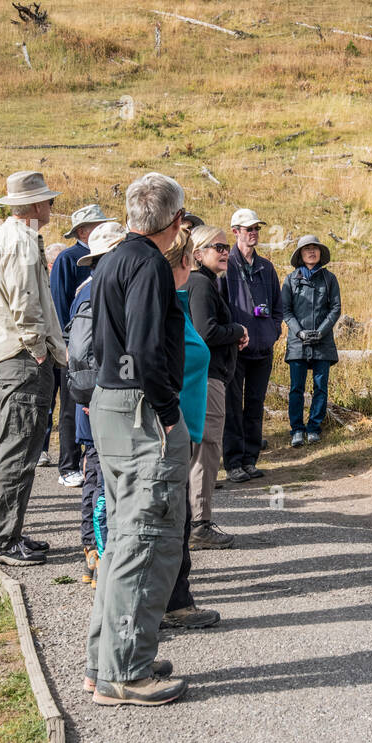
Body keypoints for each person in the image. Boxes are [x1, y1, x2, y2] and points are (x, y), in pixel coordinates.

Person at [84, 172, 190, 706]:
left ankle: (105, 659)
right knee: (148, 536)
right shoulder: (148, 265)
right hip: (141, 409)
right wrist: (169, 412)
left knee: (127, 534)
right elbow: (148, 347)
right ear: (175, 221)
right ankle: (125, 672)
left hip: (112, 402)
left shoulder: (112, 259)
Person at [0, 171, 66, 566]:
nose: (51, 207)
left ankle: (7, 532)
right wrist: (38, 349)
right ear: (32, 205)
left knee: (16, 446)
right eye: (47, 201)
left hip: (6, 352)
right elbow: (25, 301)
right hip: (22, 357)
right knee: (19, 450)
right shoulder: (21, 243)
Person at [159, 226, 221, 630]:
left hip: (185, 428)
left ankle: (176, 599)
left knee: (177, 521)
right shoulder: (168, 304)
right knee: (168, 521)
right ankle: (166, 605)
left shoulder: (178, 300)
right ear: (186, 261)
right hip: (170, 429)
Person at [67, 220, 126, 583]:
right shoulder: (97, 292)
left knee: (95, 473)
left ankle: (92, 550)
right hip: (96, 397)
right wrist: (92, 396)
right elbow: (85, 352)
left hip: (92, 396)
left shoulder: (89, 288)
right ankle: (99, 555)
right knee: (101, 477)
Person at [185, 225, 244, 550]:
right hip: (208, 379)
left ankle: (195, 522)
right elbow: (205, 332)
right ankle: (199, 524)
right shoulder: (201, 284)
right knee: (207, 450)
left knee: (203, 450)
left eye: (225, 247)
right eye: (216, 246)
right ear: (197, 253)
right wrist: (236, 331)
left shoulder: (205, 283)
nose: (224, 251)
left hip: (208, 377)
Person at [50, 204, 109, 487]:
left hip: (95, 346)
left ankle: (88, 457)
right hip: (73, 343)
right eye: (97, 225)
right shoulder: (68, 258)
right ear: (83, 231)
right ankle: (67, 464)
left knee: (88, 402)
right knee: (71, 405)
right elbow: (59, 302)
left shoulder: (106, 259)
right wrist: (64, 342)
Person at [221, 208, 282, 483]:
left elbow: (278, 308)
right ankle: (233, 462)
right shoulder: (225, 267)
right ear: (236, 232)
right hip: (236, 349)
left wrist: (272, 332)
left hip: (263, 349)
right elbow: (220, 309)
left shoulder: (266, 267)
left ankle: (250, 458)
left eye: (257, 228)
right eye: (249, 229)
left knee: (255, 405)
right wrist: (231, 337)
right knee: (232, 406)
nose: (254, 233)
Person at [281, 235, 341, 448]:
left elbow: (336, 308)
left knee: (320, 387)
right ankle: (297, 429)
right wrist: (300, 333)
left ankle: (314, 428)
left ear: (320, 253)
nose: (311, 252)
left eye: (315, 248)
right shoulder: (290, 280)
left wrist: (322, 331)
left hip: (322, 343)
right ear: (300, 254)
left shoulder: (329, 278)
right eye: (307, 249)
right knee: (296, 388)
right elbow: (285, 311)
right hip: (298, 343)